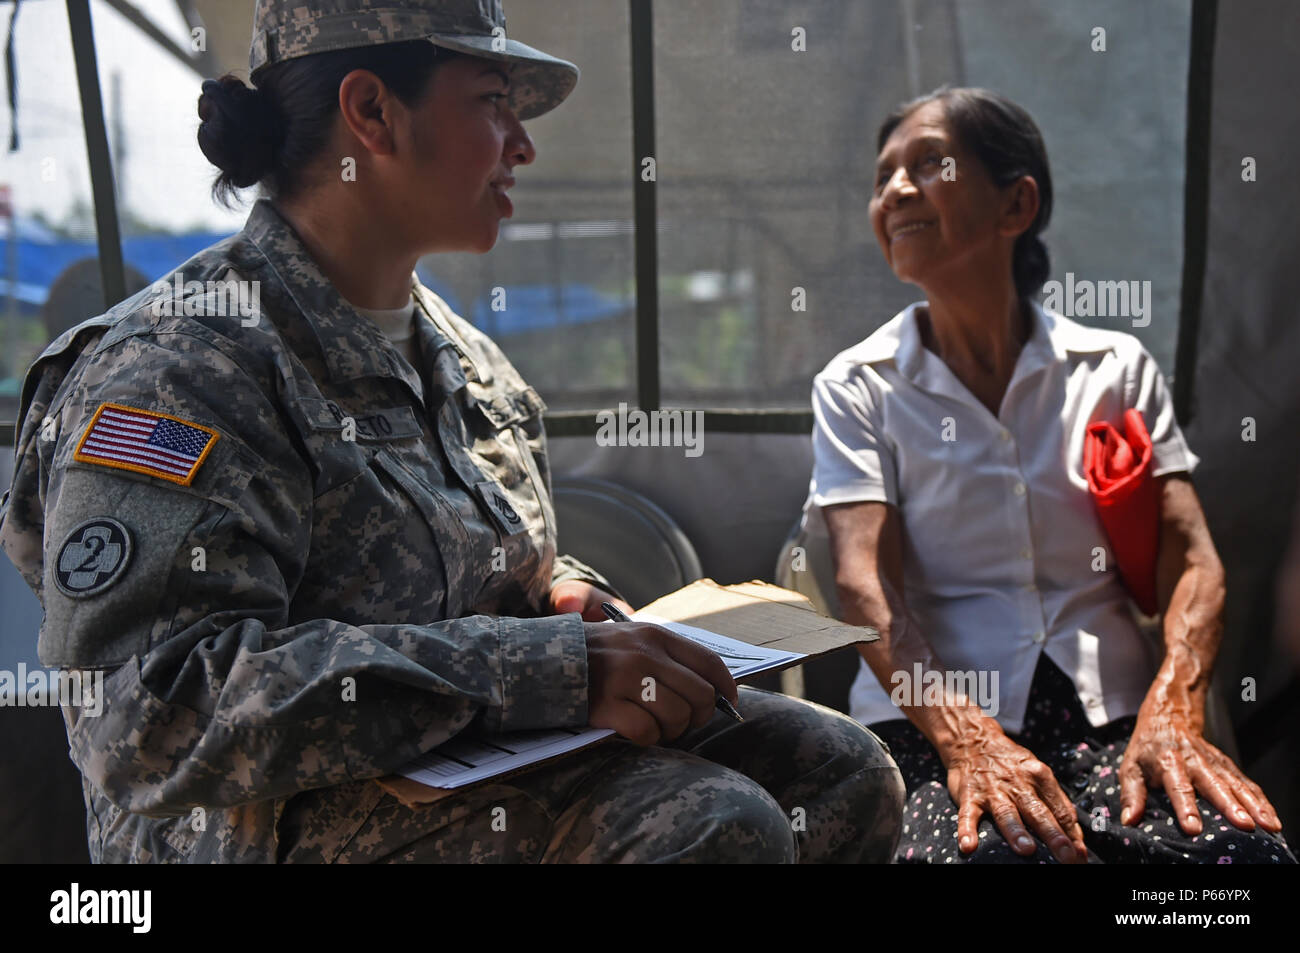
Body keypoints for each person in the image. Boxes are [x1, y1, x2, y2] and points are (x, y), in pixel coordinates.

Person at [0, 0, 903, 863]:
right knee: (713, 825)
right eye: (493, 103)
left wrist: (567, 601)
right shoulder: (179, 366)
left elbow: (506, 570)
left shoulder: (467, 361)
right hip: (244, 828)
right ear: (372, 114)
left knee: (839, 772)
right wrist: (552, 670)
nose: (523, 144)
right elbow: (152, 712)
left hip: (455, 768)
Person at [802, 86, 1295, 864]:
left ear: (1016, 204)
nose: (894, 190)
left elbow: (1193, 559)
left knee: (1239, 867)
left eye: (929, 164)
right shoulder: (858, 386)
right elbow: (865, 585)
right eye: (883, 175)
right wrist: (968, 741)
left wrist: (1175, 708)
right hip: (938, 723)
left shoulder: (1113, 367)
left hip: (1118, 717)